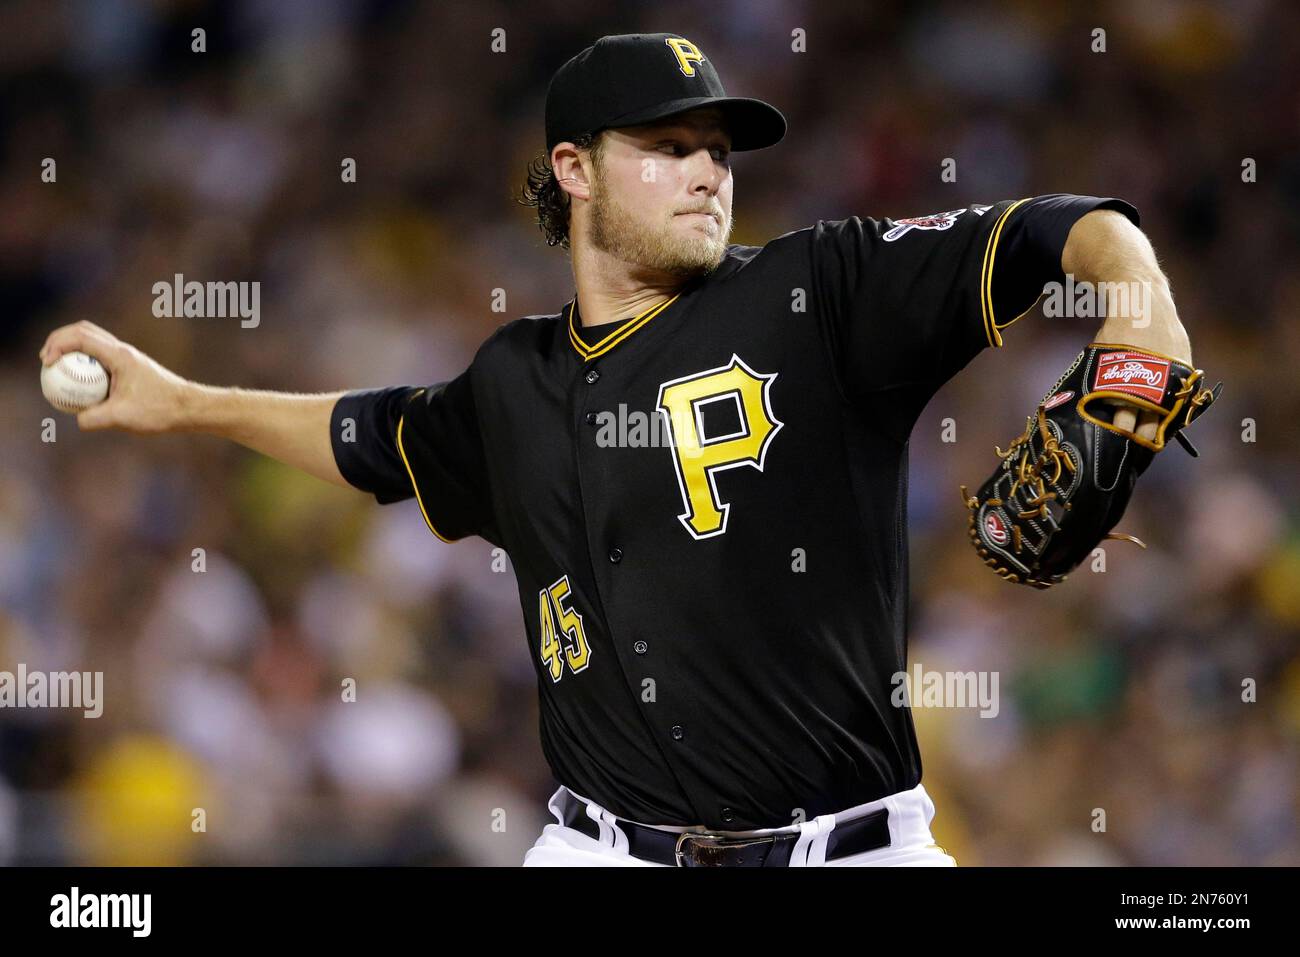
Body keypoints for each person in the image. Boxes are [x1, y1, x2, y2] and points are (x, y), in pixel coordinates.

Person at [40, 33, 1194, 867]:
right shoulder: (513, 382)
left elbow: (1063, 229)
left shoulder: (821, 291)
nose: (707, 171)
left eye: (718, 149)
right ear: (575, 169)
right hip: (598, 848)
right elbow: (370, 437)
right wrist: (186, 402)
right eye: (667, 145)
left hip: (848, 853)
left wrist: (1138, 300)